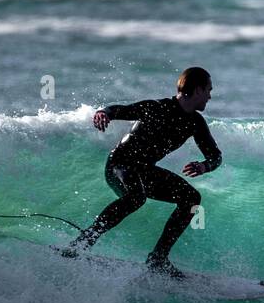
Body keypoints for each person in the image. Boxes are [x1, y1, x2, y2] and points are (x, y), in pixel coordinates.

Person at [60, 67, 221, 278]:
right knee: (136, 198)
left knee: (191, 198)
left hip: (144, 170)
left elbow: (215, 156)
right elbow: (121, 110)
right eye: (208, 90)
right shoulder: (157, 107)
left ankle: (158, 258)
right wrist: (104, 113)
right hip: (120, 164)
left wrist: (204, 166)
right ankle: (81, 243)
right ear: (198, 89)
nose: (210, 96)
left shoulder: (195, 123)